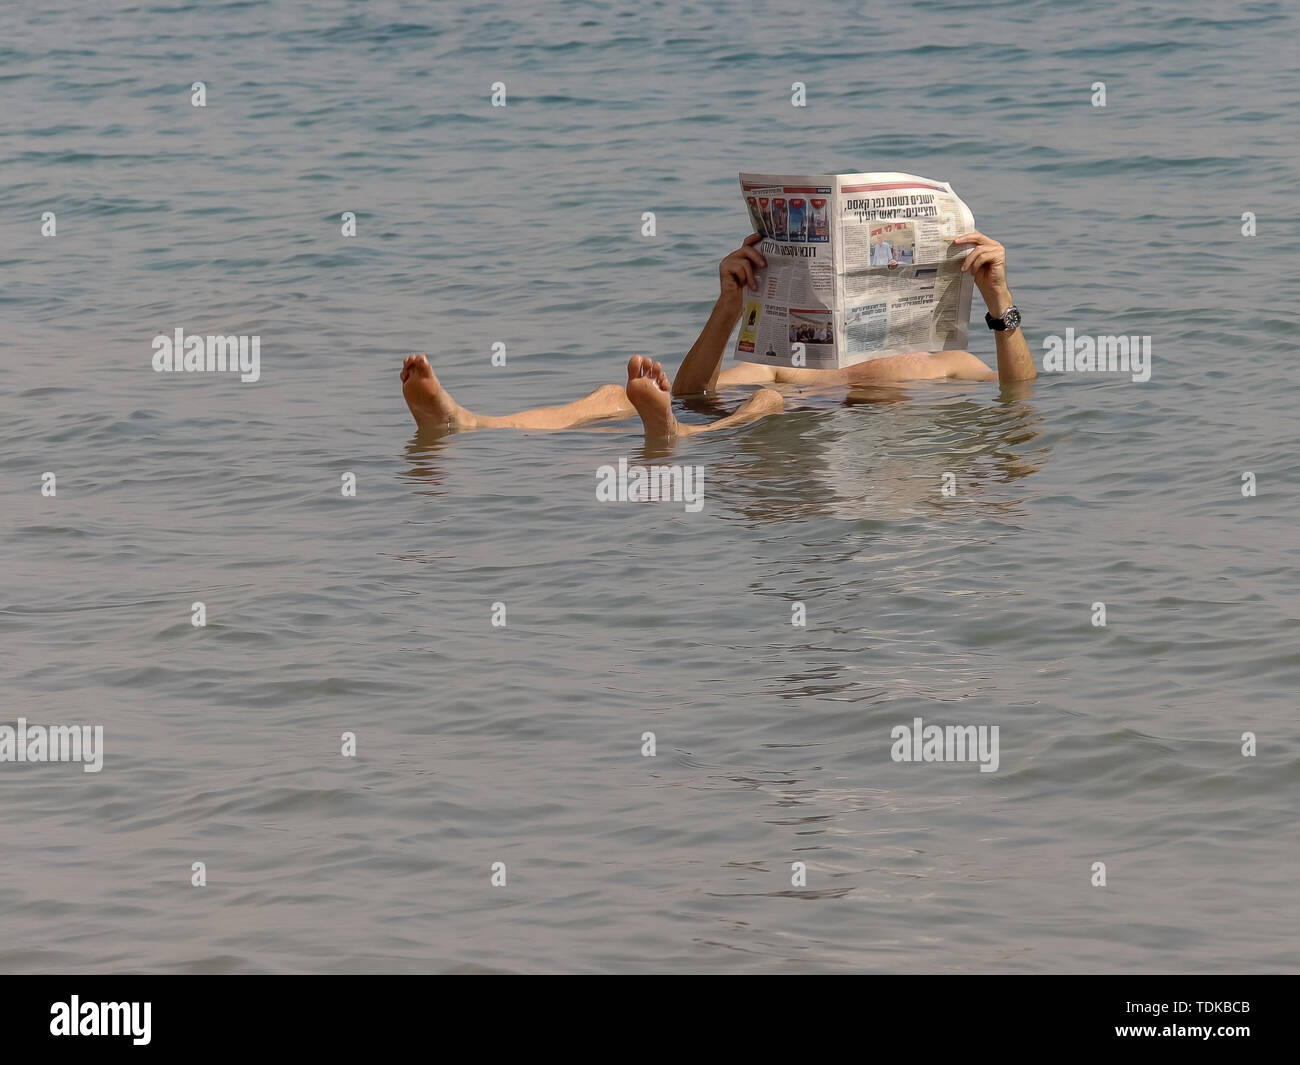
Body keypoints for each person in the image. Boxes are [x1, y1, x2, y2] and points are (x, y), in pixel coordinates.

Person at [400, 231, 1036, 440]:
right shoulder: (780, 356)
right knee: (615, 394)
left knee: (770, 402)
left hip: (791, 416)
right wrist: (729, 304)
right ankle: (470, 422)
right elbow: (693, 388)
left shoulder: (945, 363)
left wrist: (998, 295)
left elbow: (1020, 397)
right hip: (746, 401)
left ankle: (678, 439)